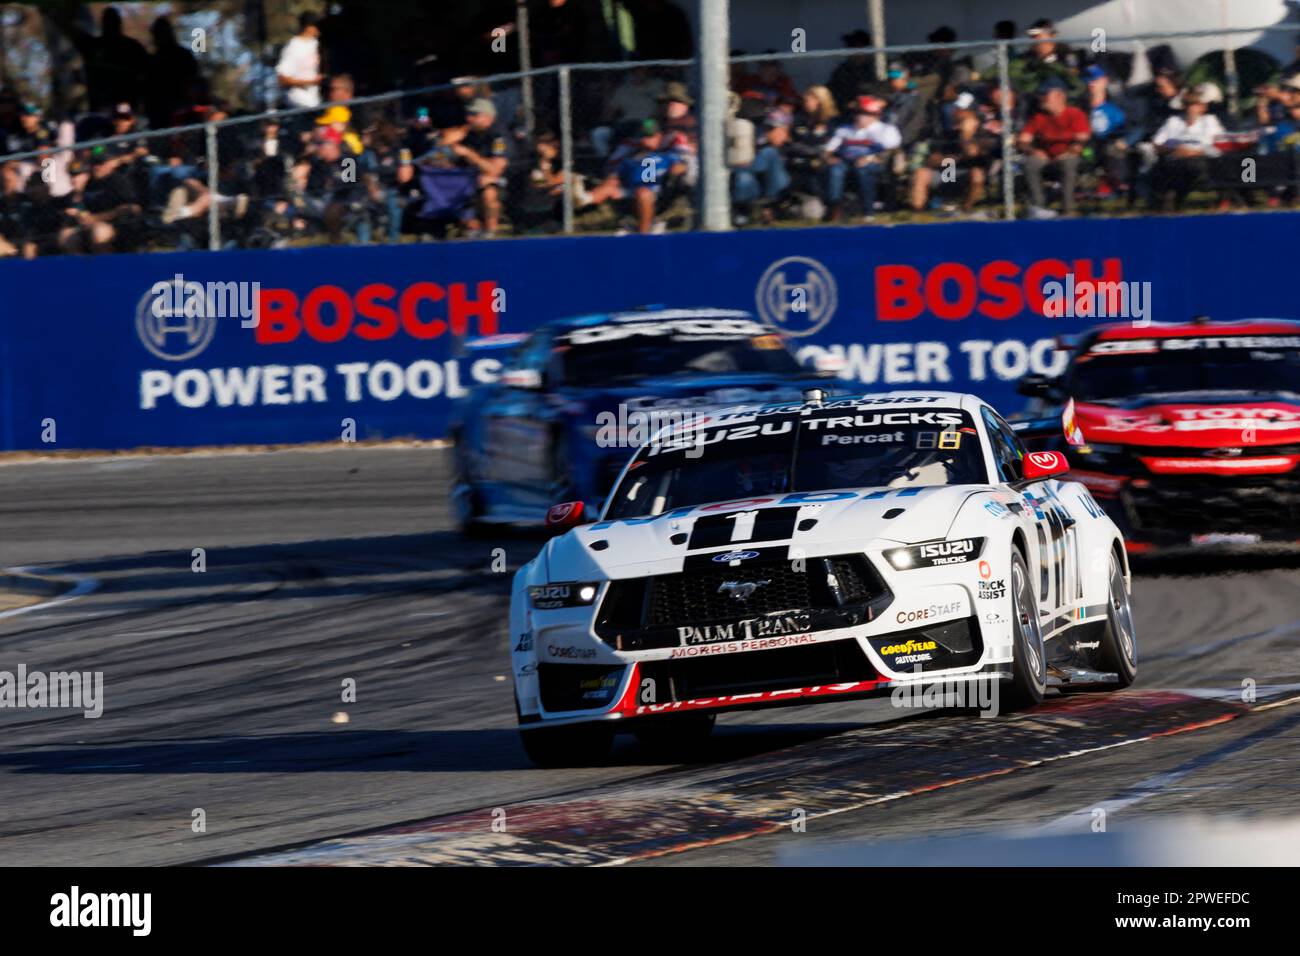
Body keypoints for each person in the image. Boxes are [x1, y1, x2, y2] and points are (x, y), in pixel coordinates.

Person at [1018, 80, 1090, 217]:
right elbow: (1023, 140)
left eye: (1046, 94)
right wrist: (1033, 151)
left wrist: (1070, 151)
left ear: (1060, 96)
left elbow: (1082, 139)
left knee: (1069, 163)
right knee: (1030, 163)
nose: (1042, 98)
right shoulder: (1038, 118)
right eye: (1041, 95)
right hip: (1046, 157)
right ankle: (1038, 206)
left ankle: (1068, 209)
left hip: (1068, 156)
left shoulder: (1075, 114)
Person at [823, 96, 901, 220]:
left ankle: (868, 211)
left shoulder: (885, 130)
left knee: (863, 170)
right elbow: (828, 149)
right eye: (858, 113)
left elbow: (891, 151)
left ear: (876, 115)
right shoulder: (844, 130)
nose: (860, 117)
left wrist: (869, 158)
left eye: (865, 114)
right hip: (846, 161)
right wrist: (829, 158)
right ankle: (834, 206)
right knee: (835, 169)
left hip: (874, 162)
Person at [1149, 91, 1224, 209]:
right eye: (1188, 104)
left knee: (1190, 166)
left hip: (1201, 159)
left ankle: (1176, 199)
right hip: (1174, 157)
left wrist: (1192, 152)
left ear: (1202, 107)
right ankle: (1163, 203)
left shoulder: (1209, 121)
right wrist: (1173, 149)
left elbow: (1219, 145)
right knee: (1161, 169)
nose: (1191, 108)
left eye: (1195, 104)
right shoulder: (1173, 121)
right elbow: (1156, 143)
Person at [446, 98, 510, 237]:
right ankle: (473, 229)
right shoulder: (470, 133)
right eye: (468, 114)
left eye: (474, 114)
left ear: (488, 117)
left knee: (488, 186)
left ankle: (491, 232)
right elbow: (442, 146)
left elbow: (495, 170)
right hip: (473, 177)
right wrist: (447, 140)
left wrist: (468, 153)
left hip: (507, 179)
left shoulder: (499, 135)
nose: (469, 118)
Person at [276, 13, 323, 112]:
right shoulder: (294, 46)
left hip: (317, 101)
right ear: (308, 27)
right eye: (317, 26)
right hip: (299, 104)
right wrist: (309, 82)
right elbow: (282, 78)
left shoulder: (318, 44)